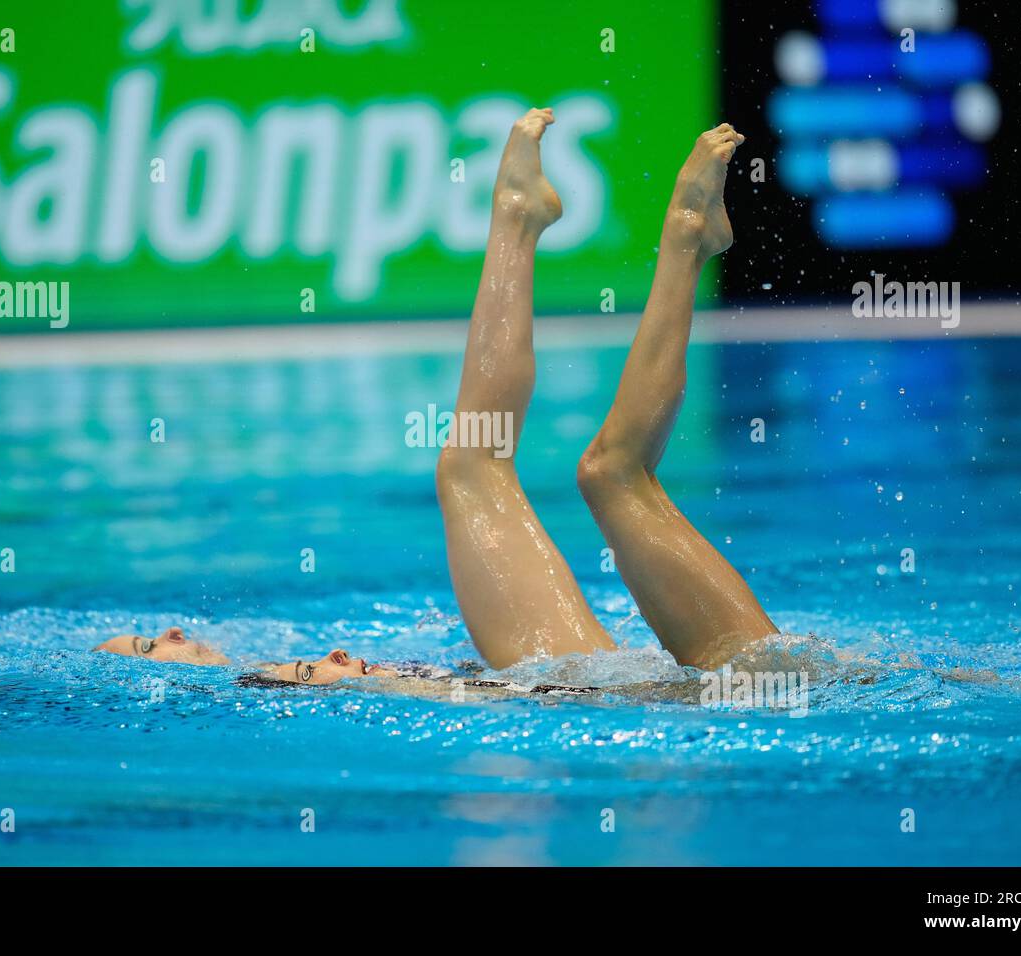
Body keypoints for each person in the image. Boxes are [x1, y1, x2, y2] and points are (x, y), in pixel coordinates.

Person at [95, 109, 777, 686]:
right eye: (150, 648)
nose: (170, 630)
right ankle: (543, 225)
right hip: (591, 696)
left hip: (667, 689)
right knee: (512, 471)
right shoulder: (252, 708)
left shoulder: (255, 679)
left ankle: (669, 239)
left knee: (606, 475)